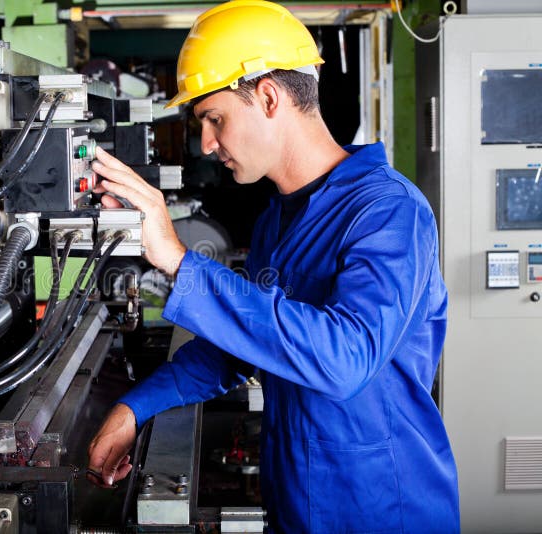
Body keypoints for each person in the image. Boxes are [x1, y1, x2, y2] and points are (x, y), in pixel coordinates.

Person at [86, 1, 460, 532]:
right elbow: (238, 347)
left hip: (381, 510)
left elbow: (345, 360)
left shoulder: (388, 211)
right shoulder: (277, 220)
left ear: (267, 97)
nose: (207, 144)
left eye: (215, 119)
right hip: (294, 505)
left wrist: (175, 257)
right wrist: (133, 409)